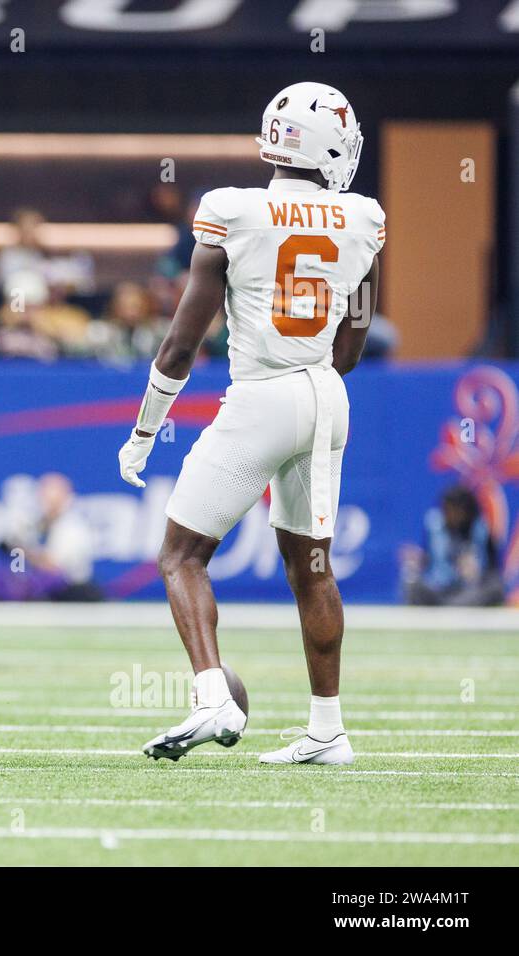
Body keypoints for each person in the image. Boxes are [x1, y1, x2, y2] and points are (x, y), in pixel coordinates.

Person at [117, 82, 384, 766]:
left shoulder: (233, 212)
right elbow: (350, 350)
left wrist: (145, 430)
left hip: (263, 393)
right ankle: (328, 730)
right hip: (327, 397)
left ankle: (212, 693)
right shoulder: (362, 219)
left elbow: (180, 345)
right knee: (312, 566)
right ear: (325, 144)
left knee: (180, 555)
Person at [401, 486, 505, 606]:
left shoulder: (480, 529)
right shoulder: (434, 525)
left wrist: (476, 572)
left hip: (468, 592)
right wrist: (418, 559)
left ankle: (453, 608)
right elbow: (428, 559)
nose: (449, 515)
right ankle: (445, 607)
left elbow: (493, 568)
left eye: (454, 511)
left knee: (495, 588)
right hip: (436, 589)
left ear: (466, 511)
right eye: (446, 510)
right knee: (410, 582)